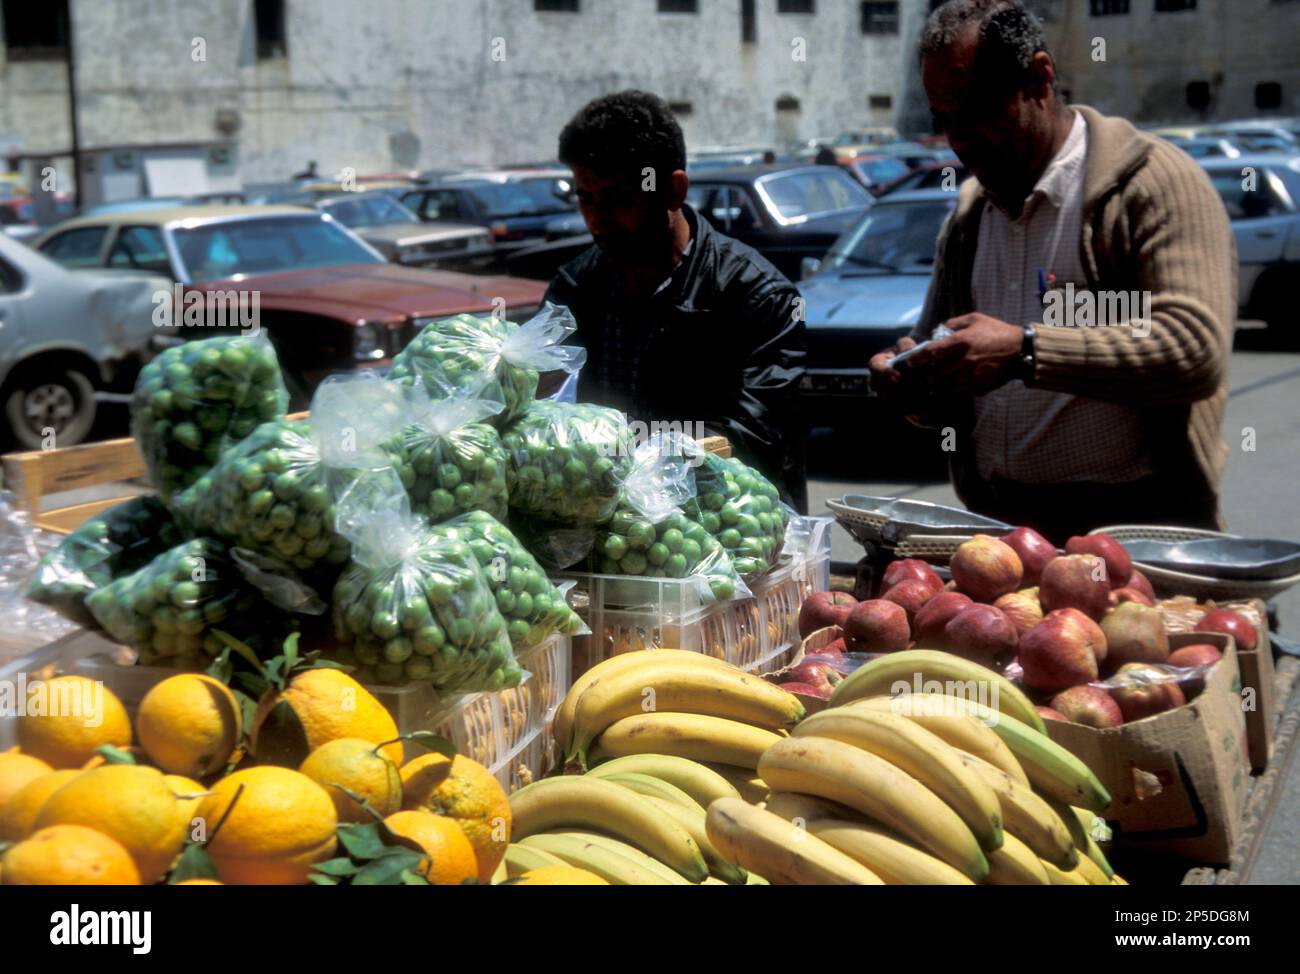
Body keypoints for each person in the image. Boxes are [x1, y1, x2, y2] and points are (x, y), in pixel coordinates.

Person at [868, 0, 1236, 544]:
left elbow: (1192, 348)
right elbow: (947, 366)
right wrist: (914, 380)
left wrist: (1025, 351)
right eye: (945, 120)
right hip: (1003, 533)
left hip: (1139, 534)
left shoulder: (1149, 183)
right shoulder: (971, 213)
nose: (961, 141)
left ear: (1039, 79)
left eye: (978, 111)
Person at [543, 91, 808, 511]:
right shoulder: (575, 287)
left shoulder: (755, 295)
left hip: (731, 528)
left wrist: (621, 457)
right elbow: (544, 410)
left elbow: (751, 438)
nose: (596, 219)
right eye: (585, 198)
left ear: (673, 190)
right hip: (614, 530)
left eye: (617, 198)